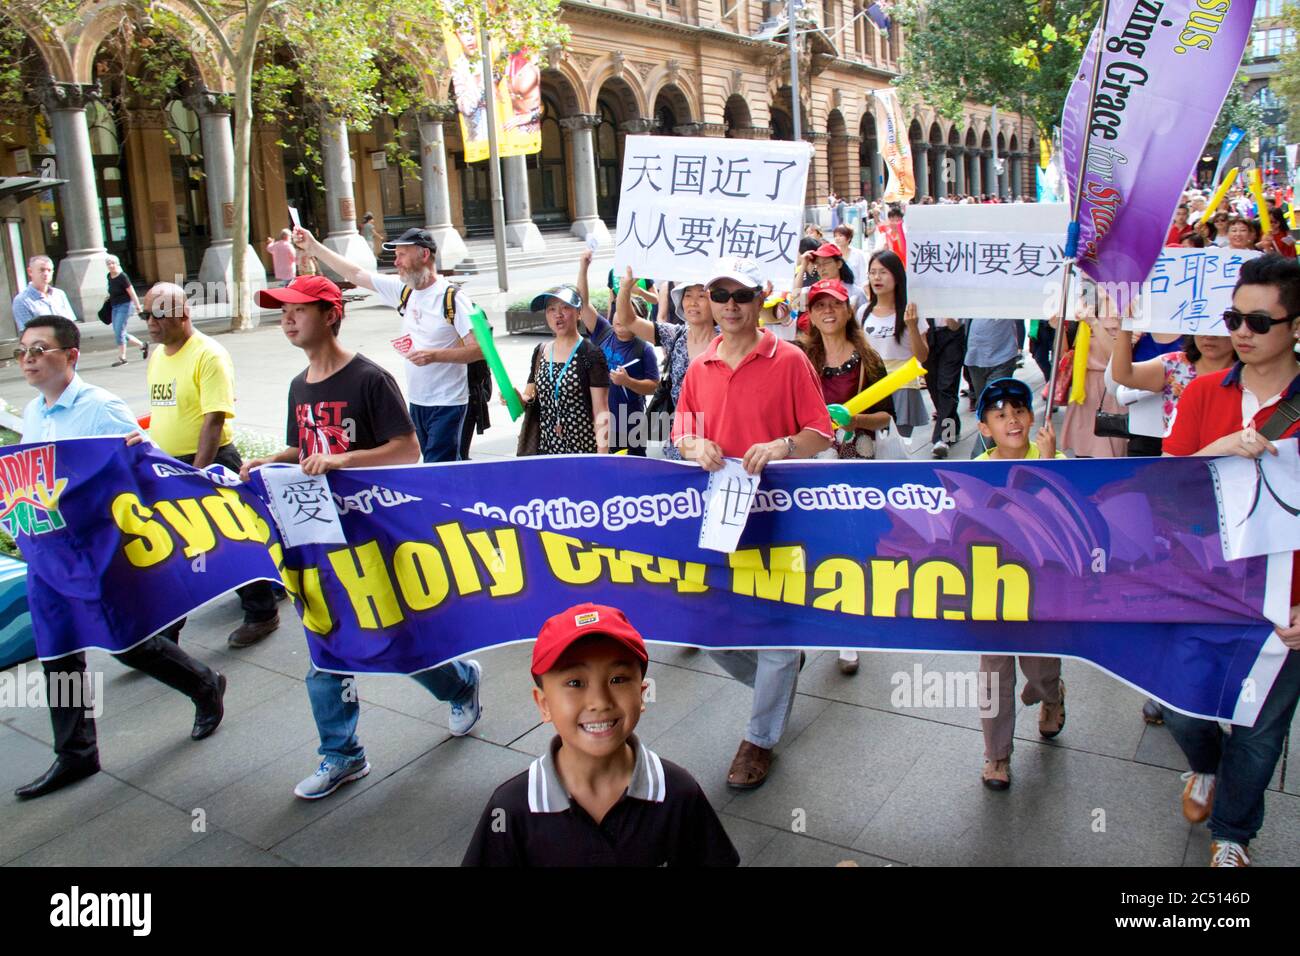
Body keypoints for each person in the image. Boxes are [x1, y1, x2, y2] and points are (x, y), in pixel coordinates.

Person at [240, 275, 483, 800]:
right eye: (281, 311)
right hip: (316, 541)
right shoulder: (298, 385)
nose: (286, 318)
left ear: (330, 314)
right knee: (325, 646)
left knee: (397, 637)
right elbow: (301, 448)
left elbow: (406, 449)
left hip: (373, 538)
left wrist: (342, 460)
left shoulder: (369, 379)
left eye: (297, 309)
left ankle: (461, 682)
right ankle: (342, 753)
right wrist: (272, 460)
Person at [13, 315, 227, 800]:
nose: (28, 358)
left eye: (39, 348)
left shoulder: (100, 408)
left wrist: (141, 449)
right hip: (48, 552)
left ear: (70, 356)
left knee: (124, 638)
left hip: (94, 550)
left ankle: (204, 684)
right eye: (22, 350)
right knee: (57, 650)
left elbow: (147, 467)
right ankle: (76, 754)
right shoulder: (33, 413)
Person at [1159, 255, 1300, 867]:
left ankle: (1232, 835)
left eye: (1259, 322)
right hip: (1201, 586)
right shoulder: (1199, 392)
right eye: (1232, 317)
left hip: (1285, 603)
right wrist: (1221, 449)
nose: (1241, 332)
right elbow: (1164, 488)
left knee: (1261, 734)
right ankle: (1204, 765)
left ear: (1295, 326)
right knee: (1180, 708)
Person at [672, 257, 833, 789]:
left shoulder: (788, 360)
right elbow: (683, 434)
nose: (731, 306)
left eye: (741, 295)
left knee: (778, 639)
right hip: (719, 515)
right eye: (721, 296)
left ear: (760, 298)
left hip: (781, 514)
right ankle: (778, 676)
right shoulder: (699, 367)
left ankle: (758, 740)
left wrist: (784, 445)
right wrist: (696, 445)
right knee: (709, 629)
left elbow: (821, 433)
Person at [461, 603, 738, 866]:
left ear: (641, 694)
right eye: (575, 683)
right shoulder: (509, 809)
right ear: (544, 705)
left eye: (617, 679)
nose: (600, 701)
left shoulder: (679, 793)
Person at [141, 282, 281, 648]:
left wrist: (195, 475)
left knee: (231, 541)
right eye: (145, 314)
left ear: (183, 313)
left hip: (209, 462)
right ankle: (166, 634)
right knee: (176, 547)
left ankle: (262, 612)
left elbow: (213, 419)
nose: (150, 323)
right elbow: (166, 410)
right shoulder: (157, 356)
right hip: (169, 465)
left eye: (158, 314)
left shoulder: (209, 355)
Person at [293, 226, 484, 463]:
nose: (396, 262)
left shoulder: (453, 298)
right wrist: (313, 247)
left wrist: (434, 356)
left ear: (424, 254)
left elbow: (480, 350)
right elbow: (356, 274)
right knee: (431, 466)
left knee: (439, 466)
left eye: (402, 254)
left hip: (448, 402)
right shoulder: (404, 291)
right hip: (416, 400)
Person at [971, 378, 1066, 790]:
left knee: (1040, 666)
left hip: (1041, 590)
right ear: (985, 429)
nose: (1012, 419)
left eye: (1018, 411)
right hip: (992, 586)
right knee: (994, 671)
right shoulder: (973, 472)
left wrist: (1048, 465)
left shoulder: (1056, 458)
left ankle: (1052, 694)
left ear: (1031, 417)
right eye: (1000, 414)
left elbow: (1065, 520)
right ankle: (997, 754)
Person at [799, 277, 893, 675]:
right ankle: (827, 621)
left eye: (833, 304)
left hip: (858, 459)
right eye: (818, 305)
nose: (827, 311)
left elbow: (887, 415)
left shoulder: (868, 358)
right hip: (815, 458)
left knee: (854, 542)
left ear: (847, 308)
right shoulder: (801, 358)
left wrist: (853, 417)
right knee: (821, 542)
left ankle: (850, 631)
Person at [516, 285, 610, 455]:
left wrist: (602, 456)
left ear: (579, 313)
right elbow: (529, 397)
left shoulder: (591, 355)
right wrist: (516, 397)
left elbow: (601, 410)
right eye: (551, 309)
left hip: (583, 450)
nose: (557, 314)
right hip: (545, 449)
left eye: (565, 307)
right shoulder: (540, 351)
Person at [580, 260, 659, 455]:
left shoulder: (644, 349)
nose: (619, 317)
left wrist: (628, 381)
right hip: (600, 420)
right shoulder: (603, 332)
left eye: (627, 313)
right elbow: (583, 304)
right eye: (617, 311)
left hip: (629, 422)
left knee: (630, 471)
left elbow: (653, 386)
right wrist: (583, 266)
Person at [857, 250, 929, 441]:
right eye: (872, 272)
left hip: (902, 385)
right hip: (871, 387)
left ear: (897, 276)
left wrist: (912, 326)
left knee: (900, 446)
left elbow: (922, 356)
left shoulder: (910, 311)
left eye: (883, 272)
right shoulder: (863, 312)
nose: (876, 277)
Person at [1053, 292, 1127, 458]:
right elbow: (1065, 356)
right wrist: (1058, 328)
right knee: (1083, 454)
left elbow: (1118, 358)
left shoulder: (1124, 305)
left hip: (1110, 389)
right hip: (1083, 391)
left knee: (1109, 455)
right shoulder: (1080, 303)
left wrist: (1094, 323)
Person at [963, 318, 1023, 457]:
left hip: (1003, 355)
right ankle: (996, 452)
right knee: (985, 408)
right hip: (975, 354)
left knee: (993, 408)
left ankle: (978, 457)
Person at [12, 255, 75, 332]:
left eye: (49, 270)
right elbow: (27, 332)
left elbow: (70, 323)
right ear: (30, 272)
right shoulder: (22, 301)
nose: (46, 273)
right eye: (42, 270)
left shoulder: (59, 294)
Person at [104, 254, 147, 367]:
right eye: (109, 264)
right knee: (119, 332)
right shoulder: (109, 276)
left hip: (125, 306)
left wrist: (138, 307)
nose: (111, 265)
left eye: (113, 263)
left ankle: (123, 358)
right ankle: (142, 345)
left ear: (117, 264)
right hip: (115, 306)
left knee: (119, 332)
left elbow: (131, 292)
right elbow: (111, 290)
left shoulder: (122, 276)